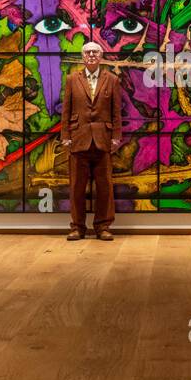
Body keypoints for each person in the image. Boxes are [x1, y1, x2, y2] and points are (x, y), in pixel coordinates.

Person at [61, 42, 122, 241]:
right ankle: (77, 227)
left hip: (103, 140)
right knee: (77, 187)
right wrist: (65, 136)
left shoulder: (112, 80)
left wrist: (116, 137)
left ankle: (103, 226)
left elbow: (116, 112)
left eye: (95, 51)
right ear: (83, 57)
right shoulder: (72, 79)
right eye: (88, 52)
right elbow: (66, 110)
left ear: (101, 56)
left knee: (105, 187)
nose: (92, 55)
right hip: (79, 140)